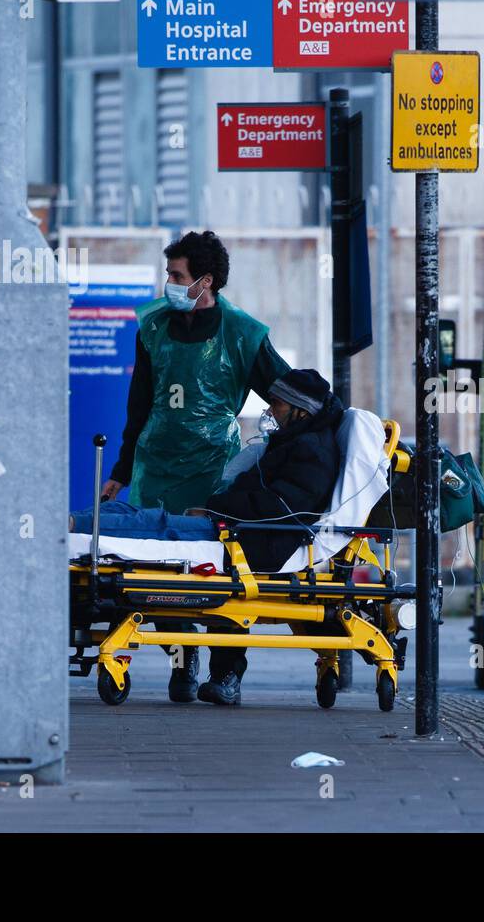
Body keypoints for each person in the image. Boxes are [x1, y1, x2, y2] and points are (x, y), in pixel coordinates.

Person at [72, 369, 345, 707]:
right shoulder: (295, 442)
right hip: (238, 528)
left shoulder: (311, 451)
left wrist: (219, 509)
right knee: (135, 516)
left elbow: (278, 507)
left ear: (299, 409)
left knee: (157, 528)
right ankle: (76, 522)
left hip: (253, 541)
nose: (271, 411)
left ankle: (72, 526)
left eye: (276, 404)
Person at [103, 230, 291, 703]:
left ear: (203, 282)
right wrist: (122, 472)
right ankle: (184, 664)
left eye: (176, 275)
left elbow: (288, 395)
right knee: (160, 575)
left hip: (214, 473)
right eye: (169, 273)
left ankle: (227, 674)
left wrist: (312, 438)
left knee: (225, 576)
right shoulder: (153, 328)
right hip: (158, 468)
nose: (168, 282)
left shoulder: (244, 334)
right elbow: (139, 404)